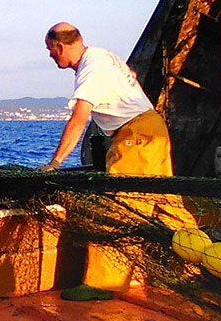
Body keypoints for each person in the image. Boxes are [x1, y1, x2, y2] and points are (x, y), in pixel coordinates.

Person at [40, 22, 195, 300]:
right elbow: (131, 74)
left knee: (118, 208)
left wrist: (55, 162)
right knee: (167, 203)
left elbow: (79, 118)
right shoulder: (103, 56)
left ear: (60, 46)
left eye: (51, 51)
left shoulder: (91, 68)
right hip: (154, 128)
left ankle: (104, 283)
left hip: (135, 134)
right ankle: (193, 268)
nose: (51, 56)